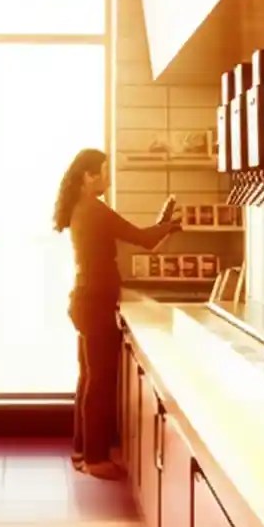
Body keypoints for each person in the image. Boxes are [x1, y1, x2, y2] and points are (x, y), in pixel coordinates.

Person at [53, 148, 180, 480]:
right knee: (100, 382)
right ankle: (95, 459)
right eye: (104, 172)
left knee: (88, 378)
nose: (108, 179)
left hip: (84, 300)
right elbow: (143, 239)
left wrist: (162, 225)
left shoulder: (81, 209)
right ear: (88, 176)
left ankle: (82, 451)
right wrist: (168, 225)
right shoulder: (95, 210)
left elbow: (142, 238)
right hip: (96, 304)